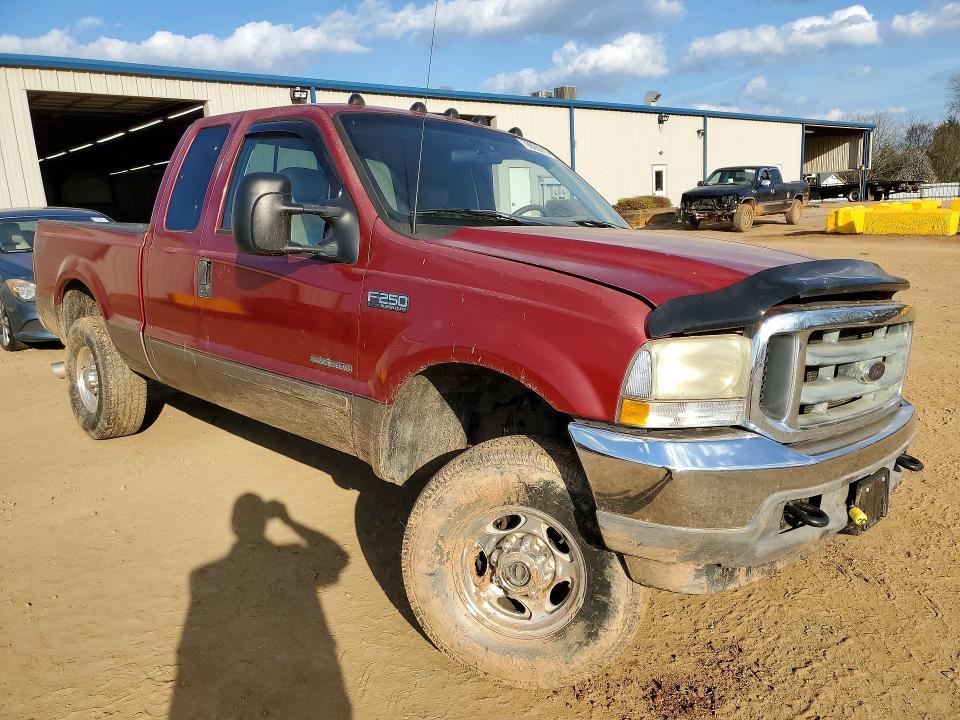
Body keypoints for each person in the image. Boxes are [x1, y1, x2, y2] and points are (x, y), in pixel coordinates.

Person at [169, 493, 350, 719]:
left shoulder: (202, 575)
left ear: (234, 526)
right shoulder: (291, 556)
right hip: (297, 672)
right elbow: (339, 559)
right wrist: (288, 520)